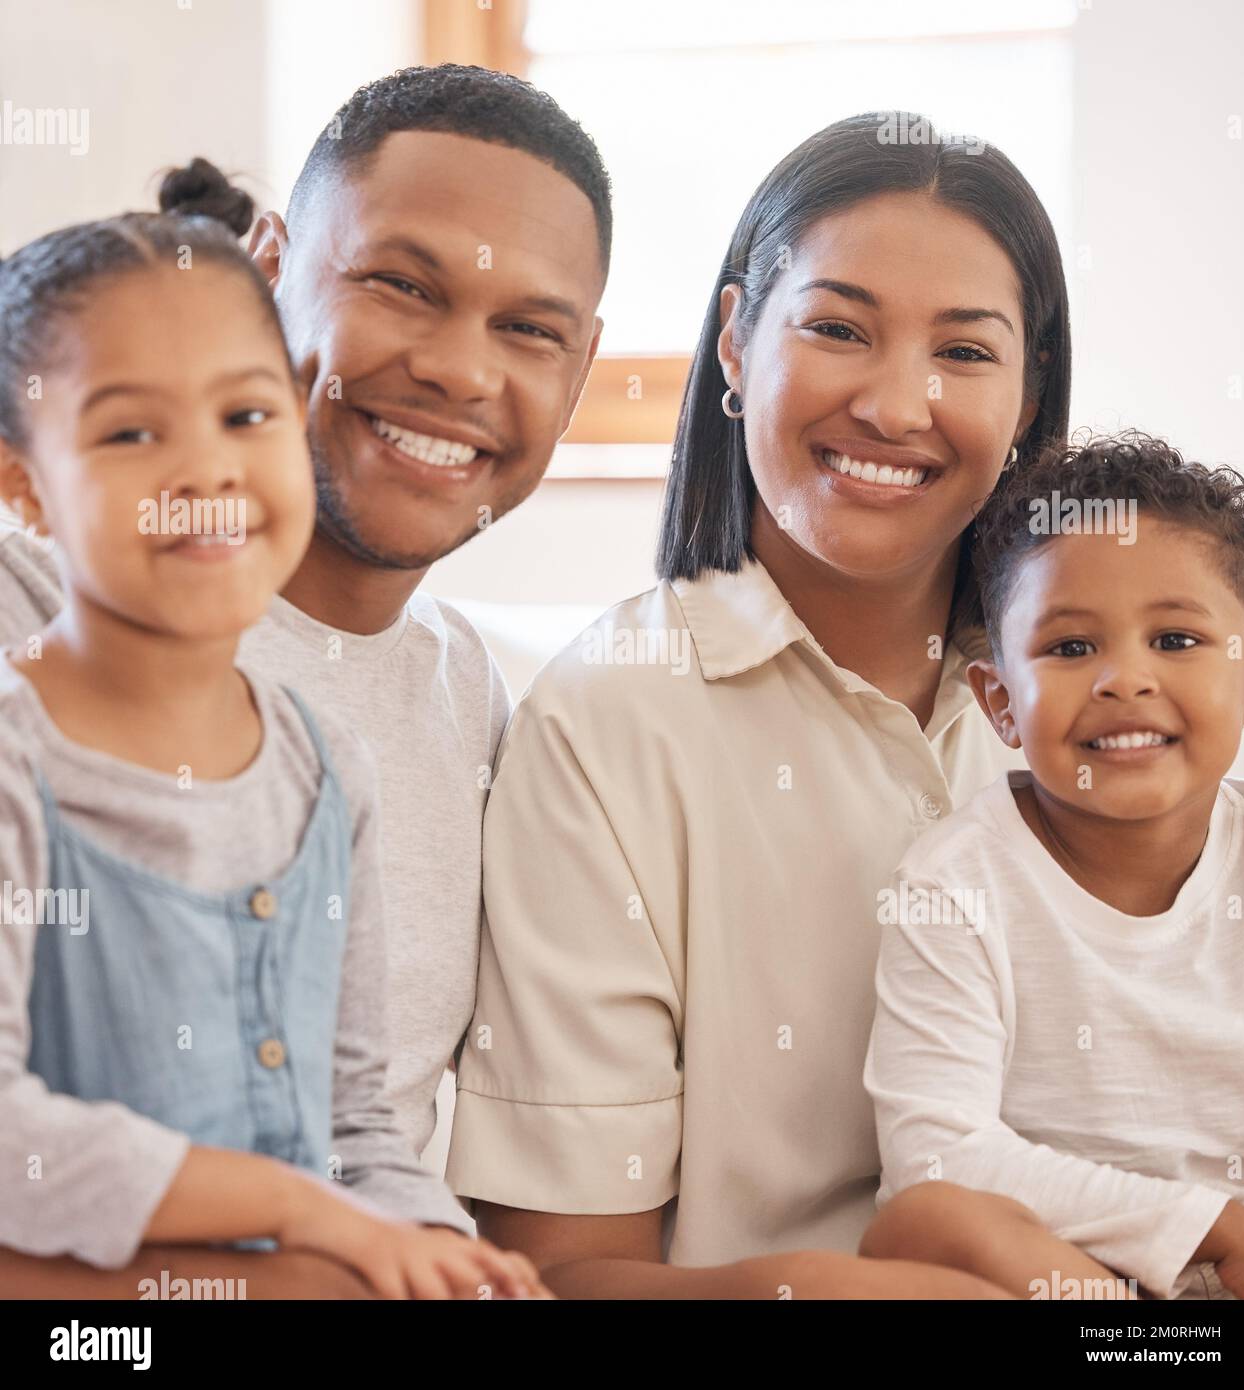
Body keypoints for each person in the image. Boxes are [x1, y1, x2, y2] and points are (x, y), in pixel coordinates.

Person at [0, 63, 609, 1297]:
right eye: (401, 283)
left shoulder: (455, 717)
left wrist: (433, 1258)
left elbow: (363, 1131)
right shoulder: (27, 622)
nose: (458, 371)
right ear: (269, 263)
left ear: (583, 368)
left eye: (528, 329)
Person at [445, 112, 1071, 1297]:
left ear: (1030, 396)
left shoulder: (1119, 694)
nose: (896, 405)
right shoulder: (605, 724)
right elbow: (565, 1272)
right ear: (734, 344)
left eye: (967, 352)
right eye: (836, 328)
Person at [861, 433, 1244, 1302]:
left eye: (1174, 638)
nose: (1125, 679)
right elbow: (932, 1152)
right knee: (925, 1220)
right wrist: (1200, 1224)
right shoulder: (955, 882)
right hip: (1071, 1283)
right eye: (1071, 649)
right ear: (1001, 703)